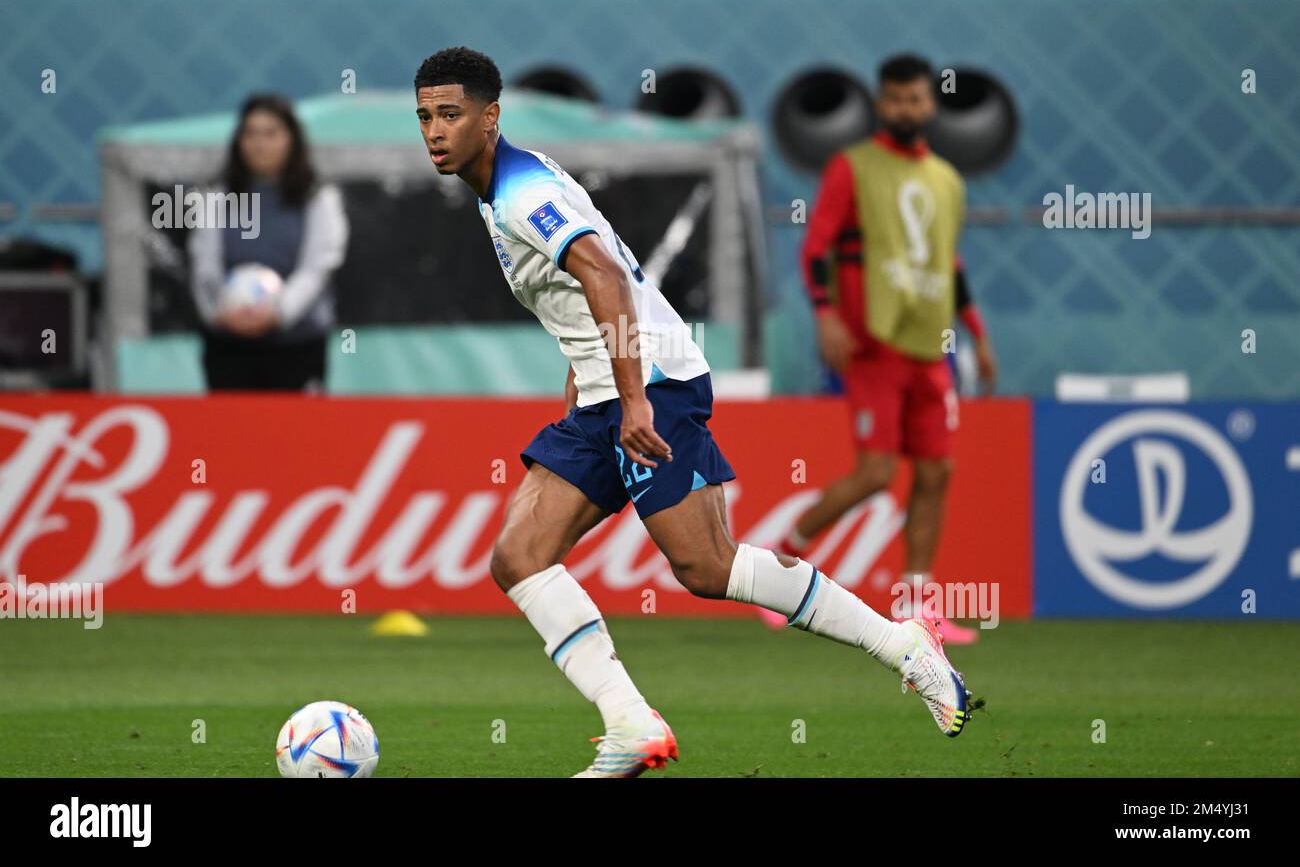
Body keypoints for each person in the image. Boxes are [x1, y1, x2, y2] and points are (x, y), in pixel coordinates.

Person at [413, 46, 980, 778]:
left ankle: (903, 646)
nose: (435, 130)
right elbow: (581, 300)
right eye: (425, 116)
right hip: (605, 392)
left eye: (451, 115)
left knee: (708, 568)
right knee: (519, 558)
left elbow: (606, 275)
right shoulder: (503, 188)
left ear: (490, 119)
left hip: (649, 386)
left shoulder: (520, 191)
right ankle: (630, 725)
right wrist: (587, 393)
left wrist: (634, 399)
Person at [764, 54, 996, 645]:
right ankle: (779, 569)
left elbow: (949, 261)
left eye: (915, 99)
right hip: (873, 344)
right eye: (894, 99)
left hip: (929, 344)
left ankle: (918, 608)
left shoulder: (947, 180)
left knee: (937, 470)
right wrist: (825, 314)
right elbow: (815, 246)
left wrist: (976, 330)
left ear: (930, 104)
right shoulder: (853, 167)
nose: (905, 109)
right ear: (880, 103)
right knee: (875, 473)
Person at [189, 93, 349, 392]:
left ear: (291, 139)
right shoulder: (216, 198)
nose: (260, 143)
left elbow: (317, 267)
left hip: (297, 347)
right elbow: (204, 266)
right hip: (229, 345)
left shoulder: (318, 198)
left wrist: (278, 312)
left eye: (271, 133)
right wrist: (219, 313)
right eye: (250, 133)